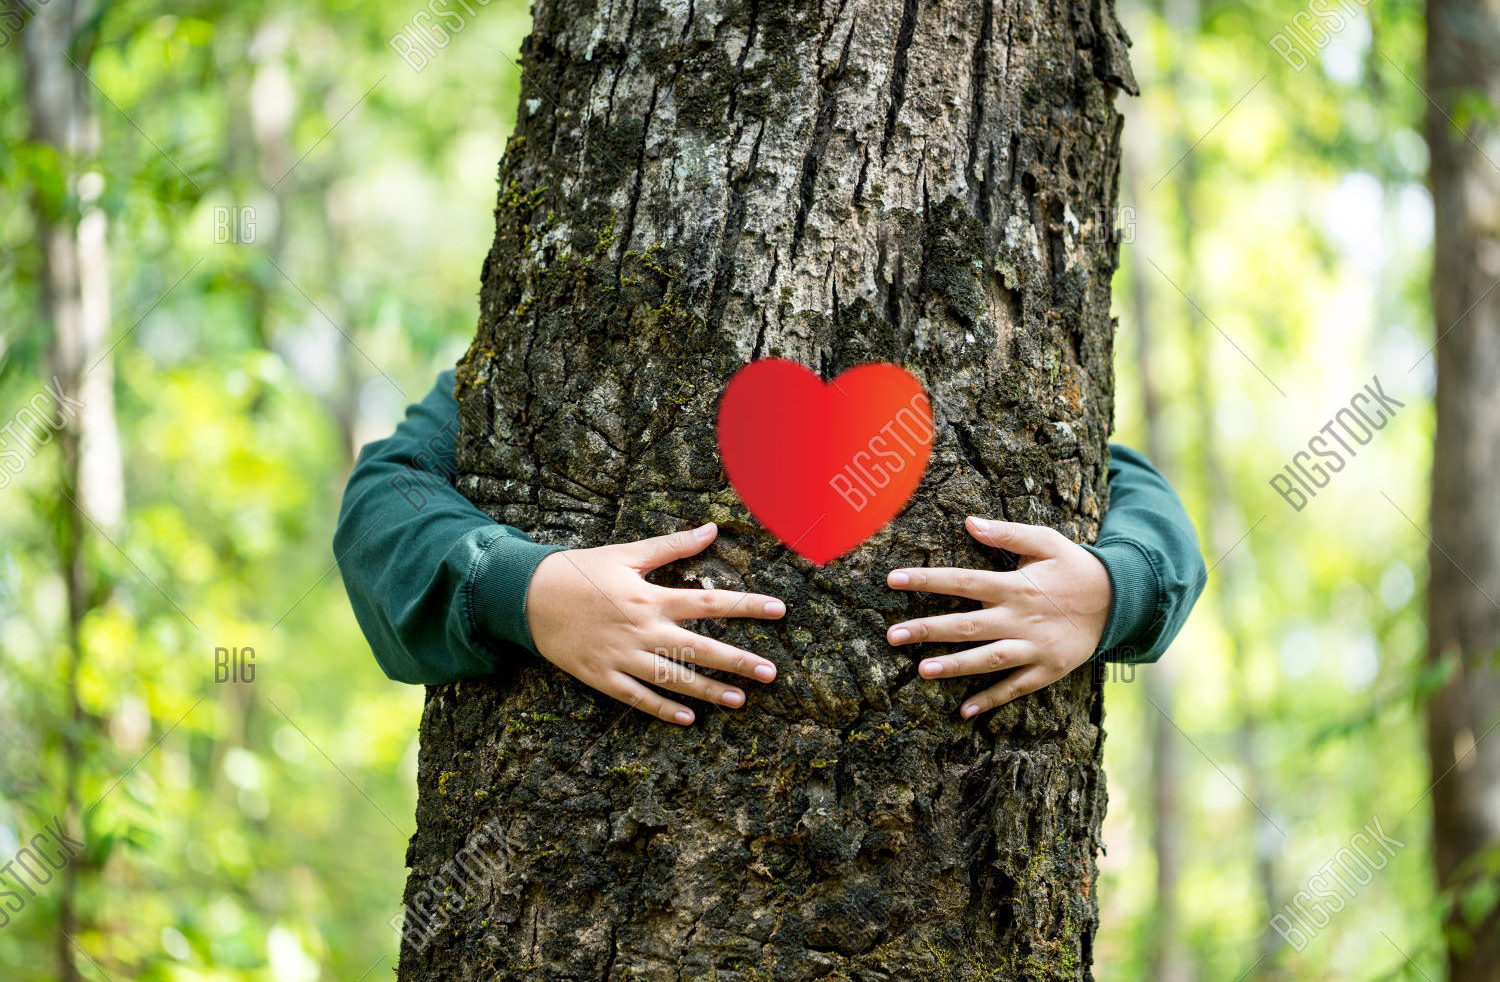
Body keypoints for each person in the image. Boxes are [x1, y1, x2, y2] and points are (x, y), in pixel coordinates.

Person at [335, 369, 1205, 725]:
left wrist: (1111, 587)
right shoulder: (526, 365)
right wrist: (523, 589)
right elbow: (386, 498)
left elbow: (1130, 485)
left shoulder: (1003, 379)